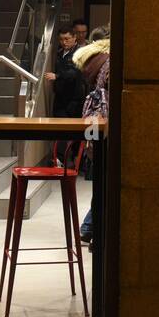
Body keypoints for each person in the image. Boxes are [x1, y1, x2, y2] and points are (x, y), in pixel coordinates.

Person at [72, 28, 111, 244]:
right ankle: (95, 231)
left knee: (102, 180)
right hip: (108, 130)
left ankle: (89, 228)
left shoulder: (93, 62)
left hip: (94, 127)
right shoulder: (110, 62)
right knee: (107, 182)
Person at [45, 30, 86, 117]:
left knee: (71, 127)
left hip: (73, 99)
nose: (64, 42)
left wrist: (57, 76)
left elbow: (75, 72)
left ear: (74, 37)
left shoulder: (80, 52)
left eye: (67, 39)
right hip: (60, 97)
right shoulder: (60, 52)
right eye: (61, 39)